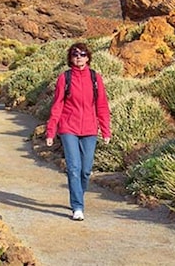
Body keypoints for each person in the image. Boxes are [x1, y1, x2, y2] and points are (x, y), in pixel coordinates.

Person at [44, 41, 112, 221]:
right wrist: (51, 131)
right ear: (70, 58)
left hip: (90, 129)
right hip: (69, 128)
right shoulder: (64, 78)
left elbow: (102, 105)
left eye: (82, 54)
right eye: (75, 54)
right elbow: (57, 106)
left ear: (88, 57)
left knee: (86, 170)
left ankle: (78, 196)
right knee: (74, 168)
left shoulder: (95, 78)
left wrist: (106, 130)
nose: (79, 58)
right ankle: (77, 206)